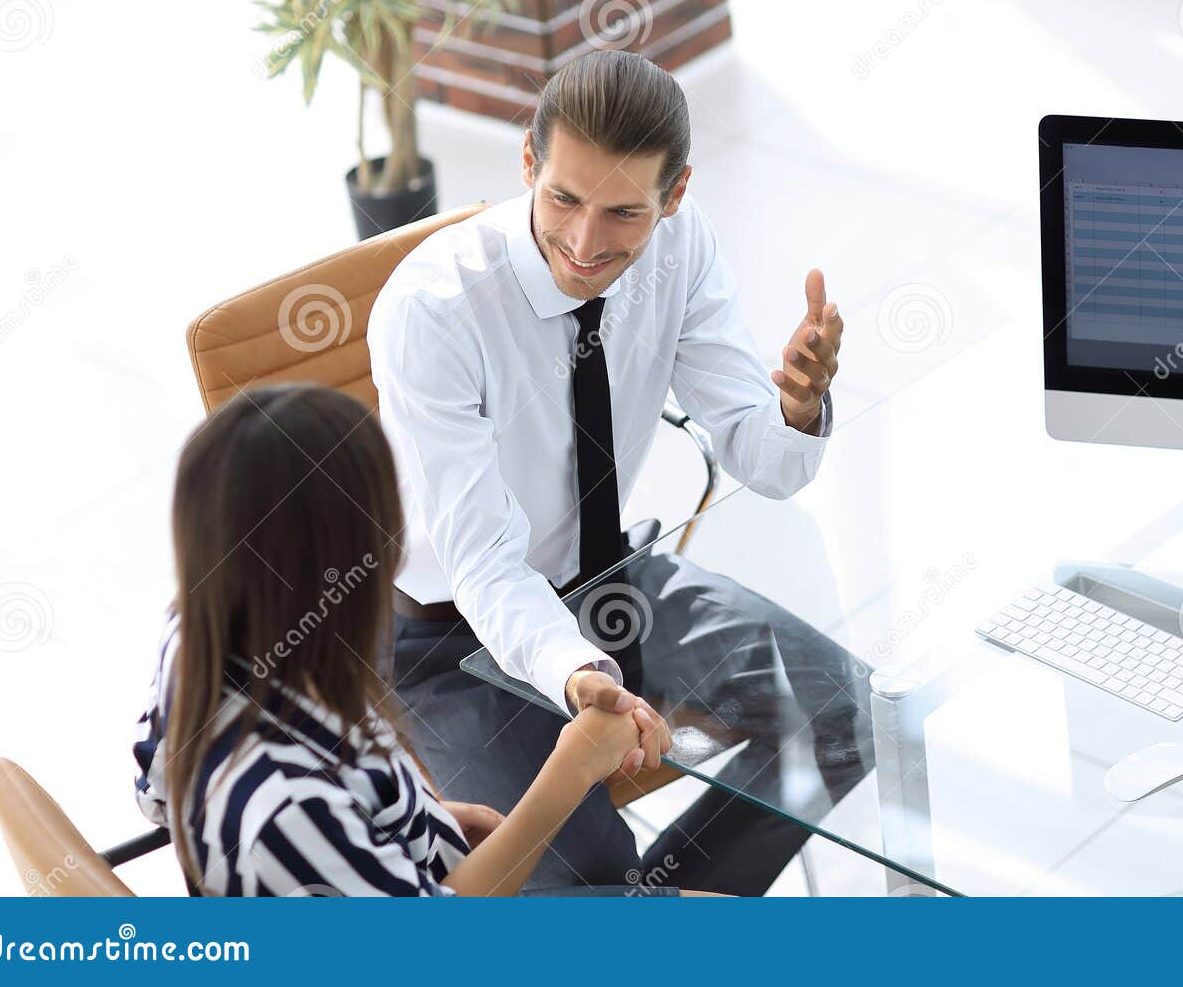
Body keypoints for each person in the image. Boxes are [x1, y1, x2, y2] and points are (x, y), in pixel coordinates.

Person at [370, 49, 873, 896]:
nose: (584, 241)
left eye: (623, 213)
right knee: (585, 885)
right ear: (528, 163)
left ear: (673, 198)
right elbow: (486, 564)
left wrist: (793, 412)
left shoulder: (683, 245)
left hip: (608, 576)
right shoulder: (435, 311)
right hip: (447, 636)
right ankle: (638, 906)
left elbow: (762, 459)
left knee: (845, 716)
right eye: (563, 197)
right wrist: (585, 680)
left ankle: (670, 904)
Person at [132, 384, 707, 896]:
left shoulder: (196, 632)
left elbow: (154, 788)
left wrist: (419, 819)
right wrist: (574, 767)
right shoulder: (286, 806)